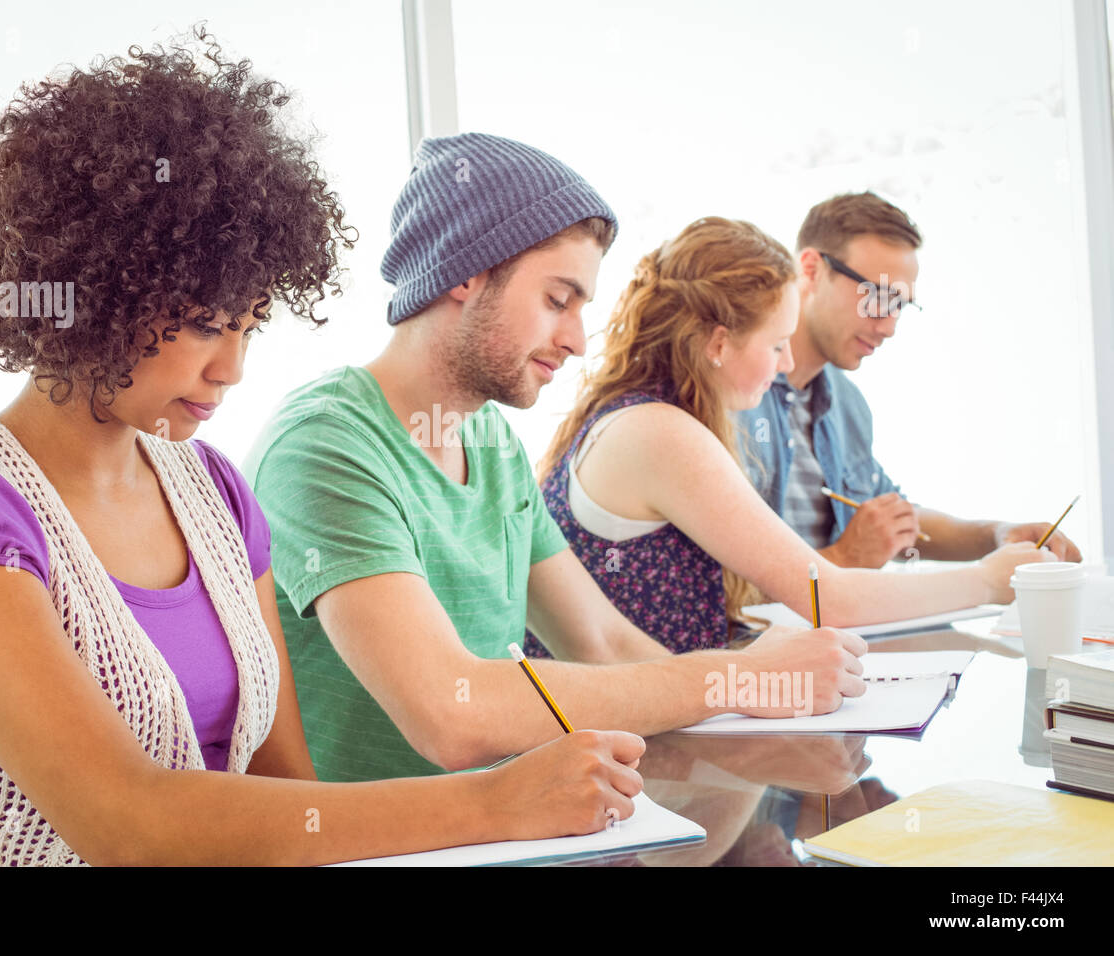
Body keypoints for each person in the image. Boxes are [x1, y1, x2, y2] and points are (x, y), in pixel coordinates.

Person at [0, 31, 646, 867]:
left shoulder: (215, 493)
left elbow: (292, 799)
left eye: (248, 327)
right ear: (93, 292)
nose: (232, 368)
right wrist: (493, 801)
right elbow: (127, 823)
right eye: (206, 324)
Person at [244, 133, 869, 785]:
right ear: (466, 271)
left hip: (508, 835)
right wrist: (736, 677)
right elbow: (451, 716)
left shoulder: (489, 442)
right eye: (556, 300)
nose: (574, 340)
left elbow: (601, 643)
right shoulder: (323, 446)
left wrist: (746, 727)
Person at [523, 217, 1050, 657]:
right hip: (636, 741)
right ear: (719, 343)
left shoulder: (648, 418)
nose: (789, 363)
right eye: (777, 346)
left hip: (662, 719)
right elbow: (829, 597)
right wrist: (988, 580)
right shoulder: (658, 432)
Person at [736, 192, 1081, 568]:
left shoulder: (846, 405)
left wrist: (996, 535)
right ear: (812, 269)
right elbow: (720, 585)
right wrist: (845, 557)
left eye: (900, 305)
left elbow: (894, 520)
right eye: (878, 296)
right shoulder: (732, 393)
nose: (888, 327)